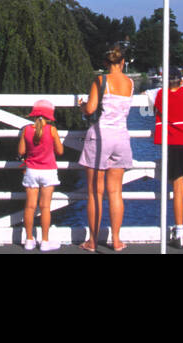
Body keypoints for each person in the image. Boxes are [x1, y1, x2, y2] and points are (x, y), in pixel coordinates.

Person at [77, 44, 134, 251]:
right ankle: (116, 240)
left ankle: (92, 241)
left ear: (105, 63)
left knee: (95, 192)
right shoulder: (130, 83)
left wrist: (82, 106)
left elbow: (91, 108)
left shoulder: (101, 80)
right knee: (116, 192)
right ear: (122, 63)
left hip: (101, 136)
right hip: (121, 137)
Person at [153, 66, 183, 248]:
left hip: (174, 143)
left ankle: (179, 230)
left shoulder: (159, 95)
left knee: (178, 188)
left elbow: (149, 97)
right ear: (181, 80)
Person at [18, 99, 63, 251]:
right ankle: (44, 241)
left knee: (30, 207)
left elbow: (21, 152)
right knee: (45, 207)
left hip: (31, 170)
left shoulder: (26, 130)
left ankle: (29, 240)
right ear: (49, 116)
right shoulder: (52, 130)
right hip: (48, 171)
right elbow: (60, 151)